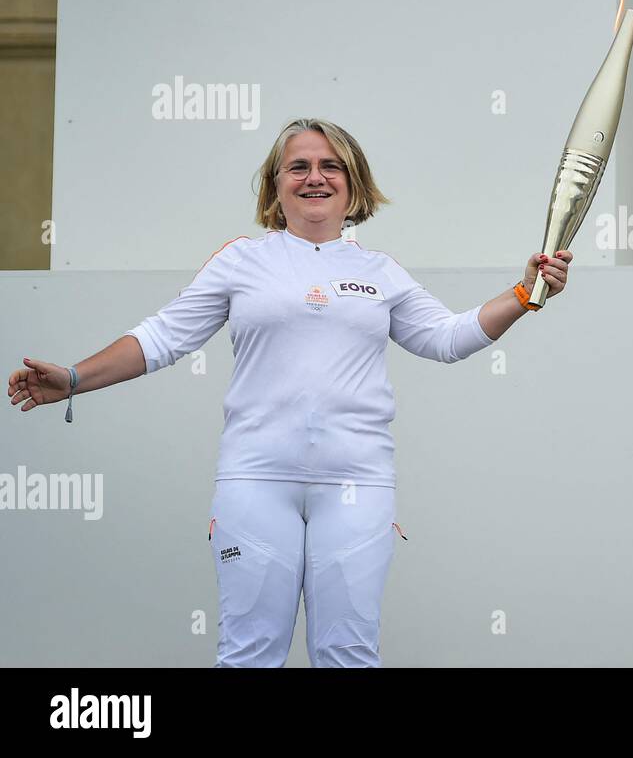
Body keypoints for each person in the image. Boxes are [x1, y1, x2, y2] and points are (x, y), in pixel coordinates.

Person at [8, 118, 572, 667]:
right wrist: (76, 378)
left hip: (356, 486)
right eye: (297, 167)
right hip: (255, 483)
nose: (314, 177)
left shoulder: (380, 271)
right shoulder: (241, 261)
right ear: (275, 187)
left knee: (348, 656)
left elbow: (447, 338)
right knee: (248, 656)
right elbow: (161, 338)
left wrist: (525, 292)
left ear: (354, 185)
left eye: (331, 166)